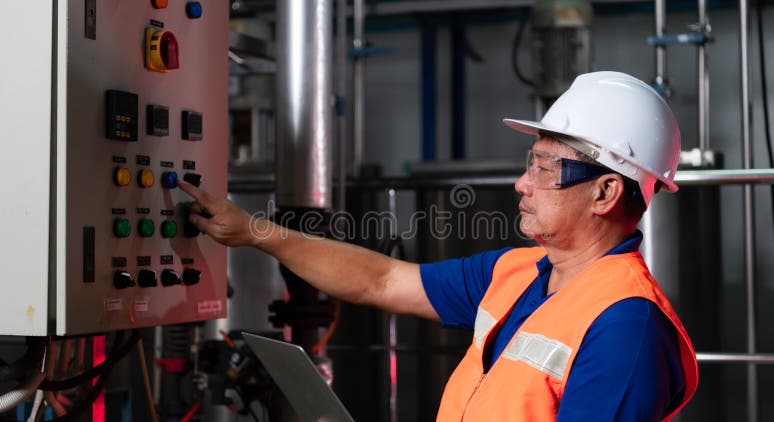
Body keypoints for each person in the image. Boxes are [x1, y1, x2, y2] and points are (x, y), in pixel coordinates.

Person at [178, 71, 698, 421]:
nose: (522, 183)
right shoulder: (518, 273)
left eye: (544, 168)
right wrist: (253, 232)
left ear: (605, 192)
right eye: (528, 163)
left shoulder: (628, 327)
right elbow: (380, 280)